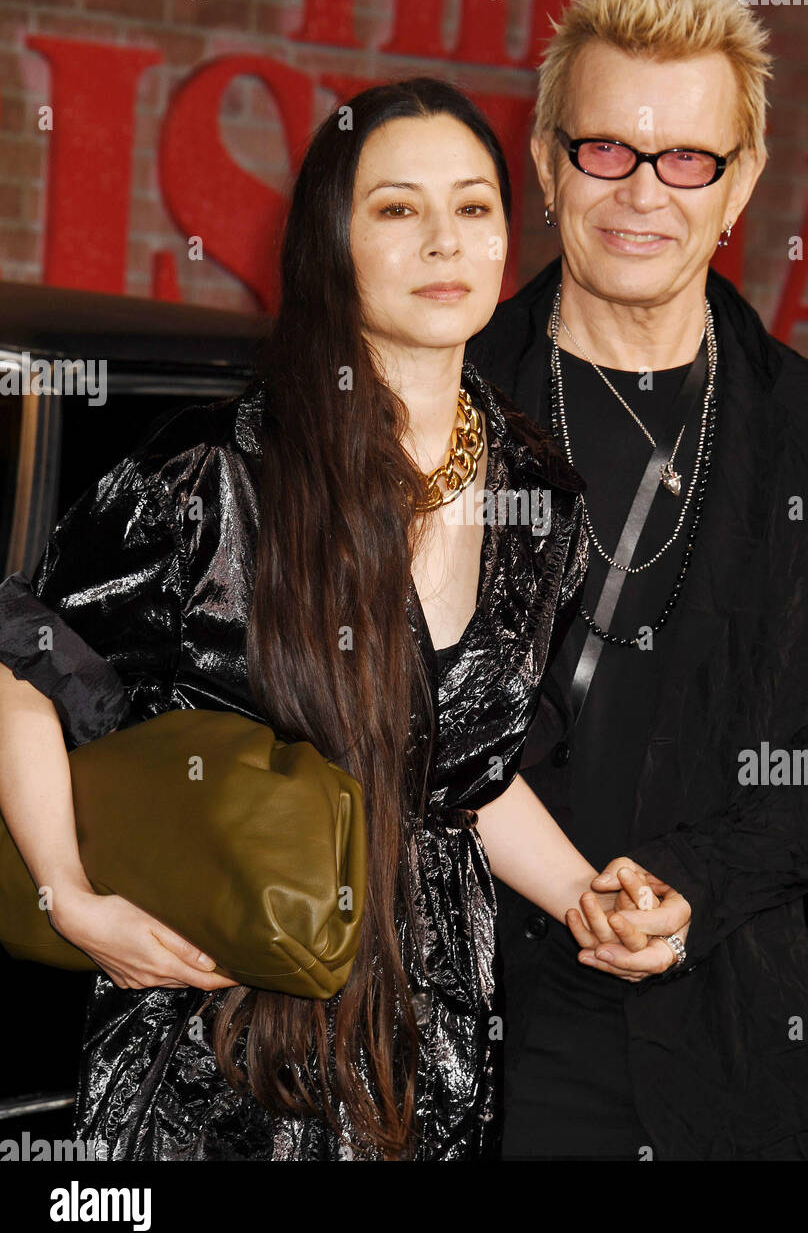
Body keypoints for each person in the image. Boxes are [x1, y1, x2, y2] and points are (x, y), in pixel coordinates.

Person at [0, 77, 669, 1161]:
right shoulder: (213, 474)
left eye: (473, 208)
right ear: (332, 242)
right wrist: (69, 896)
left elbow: (458, 779)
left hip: (430, 1051)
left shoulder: (536, 495)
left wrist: (589, 894)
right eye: (398, 209)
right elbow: (24, 661)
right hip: (220, 1045)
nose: (443, 242)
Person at [464, 0, 808, 1161]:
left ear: (739, 187)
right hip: (469, 1043)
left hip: (729, 1049)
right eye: (606, 149)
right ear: (549, 163)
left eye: (685, 161)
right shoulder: (443, 402)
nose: (640, 194)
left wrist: (695, 882)